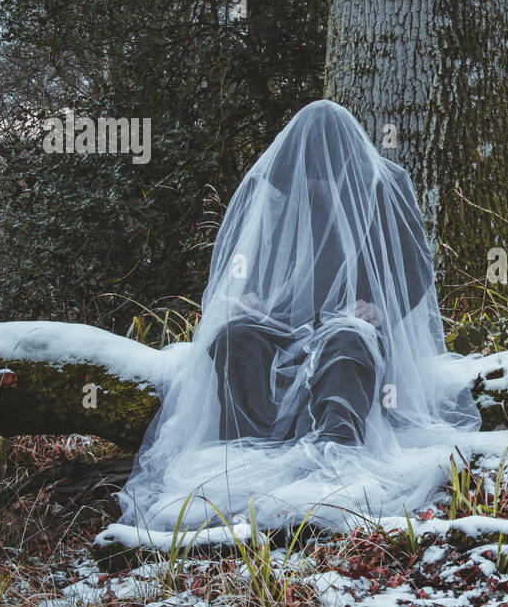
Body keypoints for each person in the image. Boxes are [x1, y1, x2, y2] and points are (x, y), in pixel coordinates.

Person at [118, 100, 480, 532]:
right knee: (234, 338)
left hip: (351, 320)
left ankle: (337, 455)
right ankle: (244, 458)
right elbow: (249, 256)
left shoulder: (388, 183)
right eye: (309, 179)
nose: (318, 189)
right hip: (284, 320)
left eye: (326, 180)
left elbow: (416, 267)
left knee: (347, 343)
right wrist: (247, 295)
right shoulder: (275, 188)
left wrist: (381, 310)